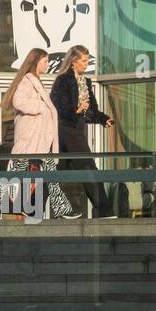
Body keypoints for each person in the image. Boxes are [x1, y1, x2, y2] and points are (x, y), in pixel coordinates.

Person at [0, 48, 73, 219]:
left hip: (39, 140)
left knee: (47, 172)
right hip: (30, 138)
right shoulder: (28, 80)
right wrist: (41, 107)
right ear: (36, 61)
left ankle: (45, 208)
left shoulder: (36, 81)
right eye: (45, 61)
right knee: (17, 173)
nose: (47, 64)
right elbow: (19, 101)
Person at [50, 45, 115, 219]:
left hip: (76, 129)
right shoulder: (63, 80)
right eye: (84, 61)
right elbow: (56, 106)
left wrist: (102, 119)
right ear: (74, 61)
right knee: (88, 167)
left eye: (87, 60)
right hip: (65, 130)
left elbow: (91, 110)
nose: (86, 64)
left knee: (56, 170)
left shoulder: (85, 82)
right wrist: (75, 110)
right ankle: (103, 209)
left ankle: (34, 206)